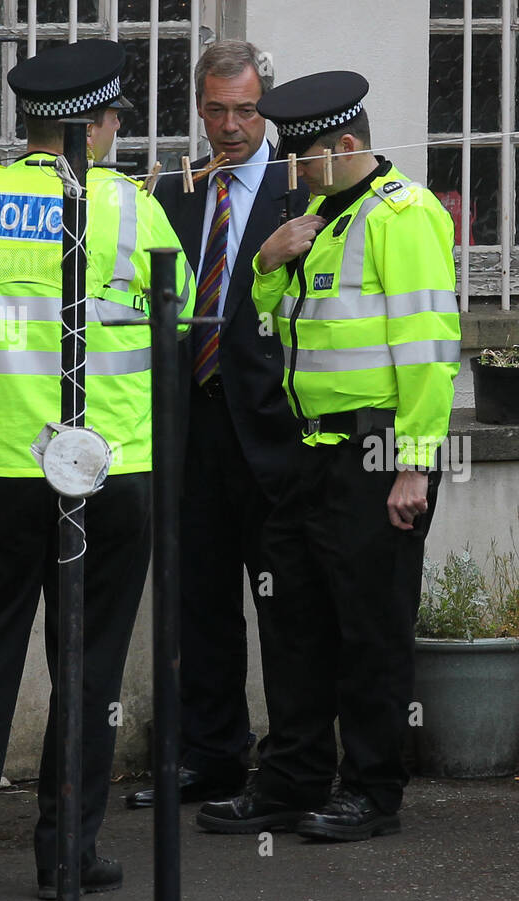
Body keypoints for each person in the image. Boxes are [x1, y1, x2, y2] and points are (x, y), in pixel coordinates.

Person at [0, 39, 195, 901]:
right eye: (116, 121)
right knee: (89, 667)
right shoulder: (133, 210)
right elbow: (175, 328)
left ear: (30, 127)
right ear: (94, 126)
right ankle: (66, 856)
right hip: (111, 473)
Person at [195, 71, 460, 840]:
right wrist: (265, 265)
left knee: (371, 628)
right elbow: (282, 325)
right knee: (293, 620)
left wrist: (414, 463)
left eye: (302, 160)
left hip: (376, 451)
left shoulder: (401, 217)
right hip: (307, 454)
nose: (291, 174)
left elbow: (430, 348)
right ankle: (291, 778)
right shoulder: (315, 214)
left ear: (346, 146)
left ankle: (372, 789)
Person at [127, 40, 306, 811]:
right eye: (216, 110)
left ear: (266, 105)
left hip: (274, 428)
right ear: (198, 108)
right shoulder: (173, 192)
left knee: (288, 603)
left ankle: (295, 761)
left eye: (245, 109)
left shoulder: (302, 190)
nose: (230, 126)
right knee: (198, 599)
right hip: (190, 423)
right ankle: (210, 756)